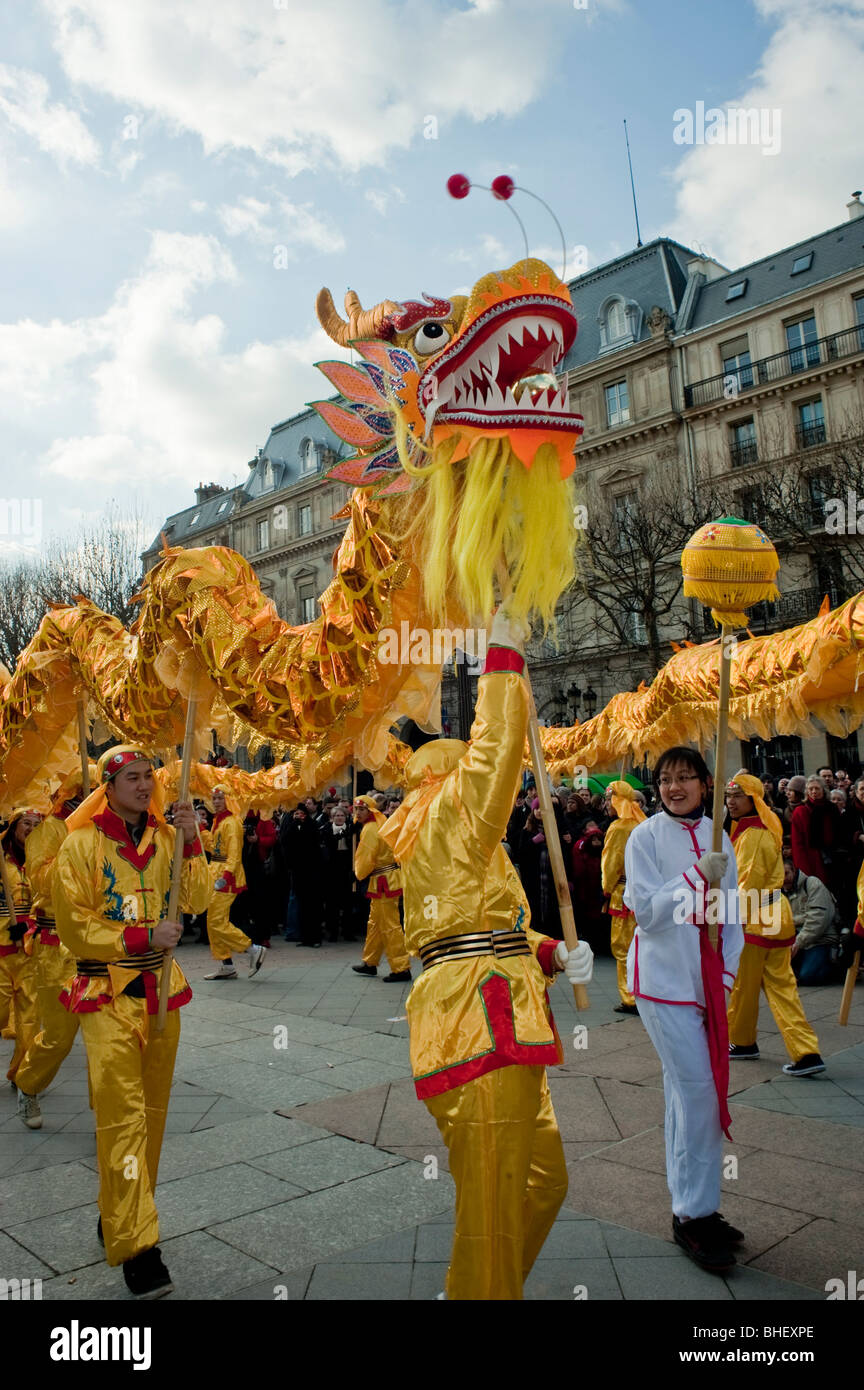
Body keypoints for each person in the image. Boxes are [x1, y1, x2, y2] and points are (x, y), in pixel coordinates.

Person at [379, 607, 593, 1300]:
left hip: (507, 1017)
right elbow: (499, 754)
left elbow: (494, 925)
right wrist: (503, 657)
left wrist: (552, 953)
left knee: (541, 1182)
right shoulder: (447, 820)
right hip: (476, 1023)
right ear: (446, 775)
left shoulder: (465, 843)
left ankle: (473, 1288)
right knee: (496, 1207)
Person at [54, 745, 210, 1297]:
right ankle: (139, 1249)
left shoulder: (168, 838)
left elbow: (195, 901)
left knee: (154, 1118)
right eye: (134, 778)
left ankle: (120, 1212)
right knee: (122, 1118)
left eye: (150, 777)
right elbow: (73, 924)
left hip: (162, 995)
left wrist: (193, 842)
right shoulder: (80, 844)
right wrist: (139, 937)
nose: (146, 786)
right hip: (107, 996)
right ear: (110, 785)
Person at [624, 747, 743, 1273]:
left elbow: (731, 913)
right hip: (661, 986)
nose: (675, 788)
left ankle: (692, 1206)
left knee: (685, 1094)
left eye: (685, 778)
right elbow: (647, 913)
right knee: (699, 1091)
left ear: (704, 783)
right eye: (667, 779)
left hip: (704, 987)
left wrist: (725, 976)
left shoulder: (721, 838)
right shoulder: (643, 837)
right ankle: (695, 1214)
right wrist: (696, 875)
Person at [725, 772, 825, 1077]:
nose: (730, 802)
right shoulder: (761, 828)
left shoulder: (753, 834)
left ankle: (746, 1042)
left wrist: (729, 921)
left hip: (757, 918)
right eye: (728, 796)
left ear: (753, 799)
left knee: (746, 985)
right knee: (780, 987)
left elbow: (747, 883)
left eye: (737, 796)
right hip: (771, 913)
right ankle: (799, 1049)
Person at [15, 769, 95, 1128]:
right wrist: (75, 851)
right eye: (77, 793)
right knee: (59, 1038)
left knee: (103, 1043)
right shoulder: (47, 831)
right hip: (54, 952)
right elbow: (41, 883)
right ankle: (28, 1084)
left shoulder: (108, 830)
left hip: (99, 951)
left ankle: (109, 1113)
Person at [202, 787, 266, 980]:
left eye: (220, 798)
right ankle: (227, 964)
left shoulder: (232, 823)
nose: (216, 801)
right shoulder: (219, 822)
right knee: (214, 921)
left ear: (229, 800)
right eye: (214, 798)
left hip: (226, 877)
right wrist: (202, 831)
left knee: (215, 921)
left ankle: (252, 948)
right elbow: (215, 848)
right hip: (217, 872)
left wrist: (227, 877)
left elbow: (234, 854)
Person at [0, 809, 40, 1096]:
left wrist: (29, 926)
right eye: (27, 823)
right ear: (14, 827)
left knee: (29, 1019)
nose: (32, 829)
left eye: (37, 825)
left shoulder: (42, 862)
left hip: (30, 952)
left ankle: (21, 1073)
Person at [352, 795, 409, 980]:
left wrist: (358, 873)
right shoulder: (378, 824)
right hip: (382, 879)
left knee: (390, 926)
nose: (358, 813)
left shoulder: (370, 829)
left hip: (383, 880)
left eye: (362, 809)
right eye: (356, 809)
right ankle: (370, 961)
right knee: (375, 923)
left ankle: (401, 967)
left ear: (370, 811)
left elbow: (366, 856)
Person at [601, 780, 646, 1015]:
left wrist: (606, 889)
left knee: (623, 947)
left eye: (609, 799)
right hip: (644, 893)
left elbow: (611, 863)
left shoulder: (618, 828)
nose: (607, 804)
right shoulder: (643, 823)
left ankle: (631, 997)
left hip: (623, 893)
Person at [782, 853, 840, 986]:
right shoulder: (778, 891)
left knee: (808, 976)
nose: (784, 878)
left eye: (786, 873)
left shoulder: (812, 883)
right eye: (780, 875)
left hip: (820, 940)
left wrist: (798, 941)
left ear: (794, 871)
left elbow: (817, 919)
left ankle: (836, 966)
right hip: (798, 940)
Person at [281, 804, 324, 946]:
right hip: (298, 871)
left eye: (301, 813)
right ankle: (304, 937)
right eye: (297, 813)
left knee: (313, 905)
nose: (299, 816)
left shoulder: (312, 826)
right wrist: (294, 823)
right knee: (301, 905)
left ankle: (315, 937)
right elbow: (285, 840)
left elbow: (314, 842)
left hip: (312, 871)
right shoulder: (292, 826)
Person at [790, 775, 841, 891]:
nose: (814, 792)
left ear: (823, 790)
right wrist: (803, 869)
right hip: (812, 859)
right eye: (810, 789)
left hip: (833, 857)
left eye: (817, 788)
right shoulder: (801, 811)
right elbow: (797, 843)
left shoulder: (832, 809)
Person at [320, 806, 356, 941]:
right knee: (332, 903)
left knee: (348, 903)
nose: (339, 818)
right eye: (337, 816)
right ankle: (332, 931)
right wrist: (342, 834)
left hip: (346, 868)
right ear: (332, 818)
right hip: (332, 870)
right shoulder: (326, 830)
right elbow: (329, 844)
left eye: (342, 815)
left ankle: (348, 932)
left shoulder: (352, 829)